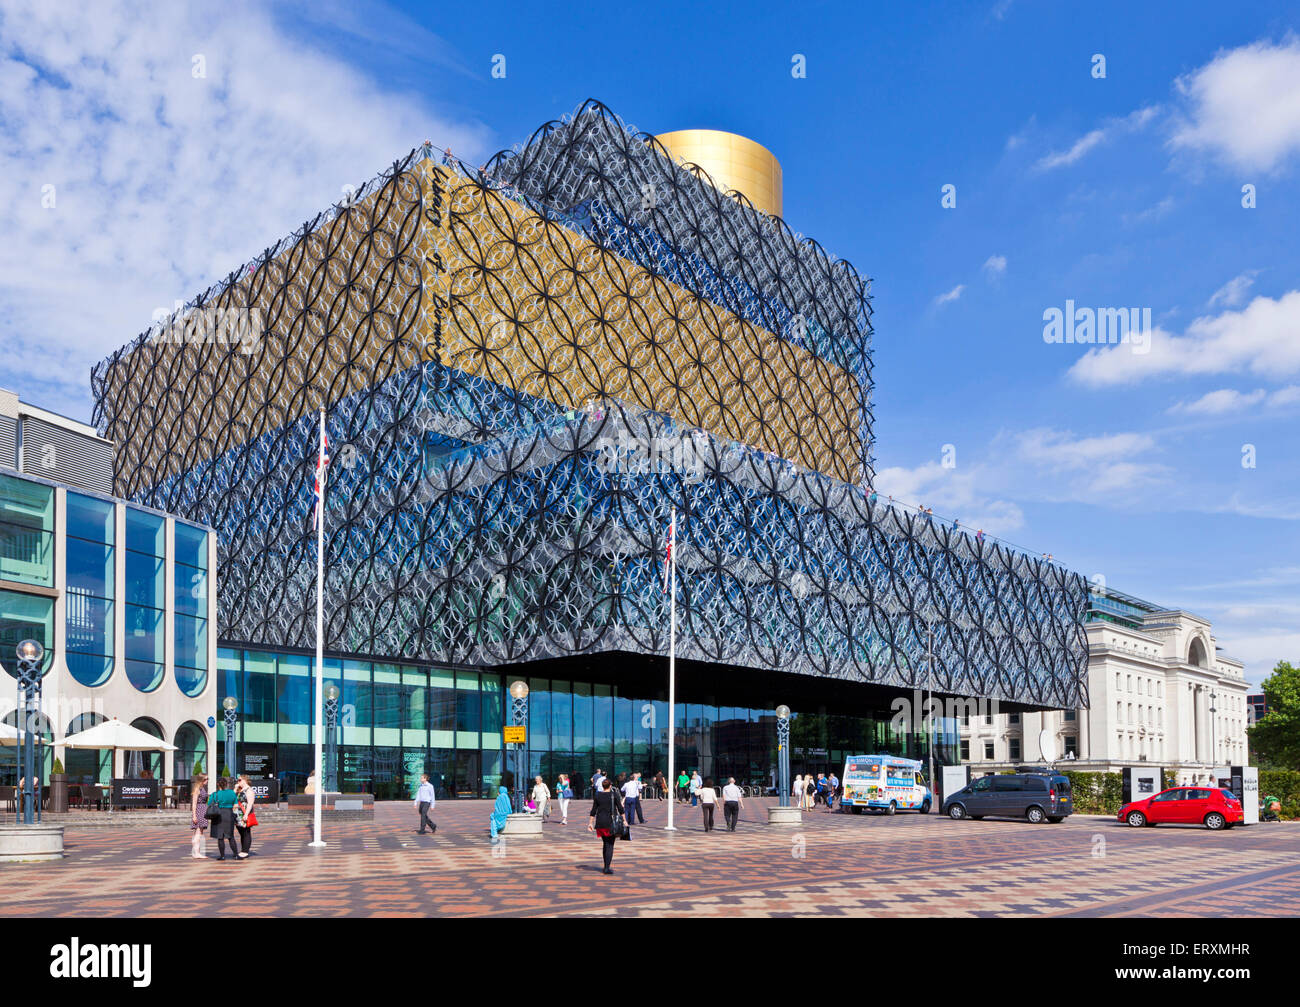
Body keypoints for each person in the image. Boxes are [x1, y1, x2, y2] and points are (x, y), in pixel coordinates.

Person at [587, 777, 622, 875]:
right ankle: (607, 867)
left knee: (605, 843)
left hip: (600, 823)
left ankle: (605, 866)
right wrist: (625, 820)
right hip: (610, 822)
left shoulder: (598, 795)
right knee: (610, 845)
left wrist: (590, 823)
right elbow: (620, 808)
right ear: (610, 786)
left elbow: (593, 810)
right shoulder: (613, 795)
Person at [207, 777, 239, 861]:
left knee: (220, 837)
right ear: (226, 784)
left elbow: (209, 804)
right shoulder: (232, 793)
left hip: (218, 815)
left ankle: (222, 856)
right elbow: (236, 805)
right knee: (230, 836)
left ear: (218, 784)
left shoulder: (214, 794)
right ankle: (236, 855)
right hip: (229, 814)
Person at [233, 775, 257, 858]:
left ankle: (245, 851)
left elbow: (250, 803)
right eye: (237, 780)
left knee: (246, 832)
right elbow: (232, 797)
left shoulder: (249, 790)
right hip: (237, 814)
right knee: (241, 833)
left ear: (245, 780)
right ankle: (243, 850)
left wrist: (246, 814)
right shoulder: (239, 790)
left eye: (239, 780)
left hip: (244, 813)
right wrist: (235, 789)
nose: (238, 782)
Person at [189, 773, 209, 859]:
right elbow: (194, 804)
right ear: (201, 780)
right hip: (199, 811)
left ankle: (196, 852)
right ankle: (196, 852)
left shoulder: (202, 788)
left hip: (202, 810)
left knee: (200, 832)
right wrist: (194, 815)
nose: (207, 781)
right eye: (206, 779)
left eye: (208, 779)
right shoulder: (197, 789)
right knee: (198, 832)